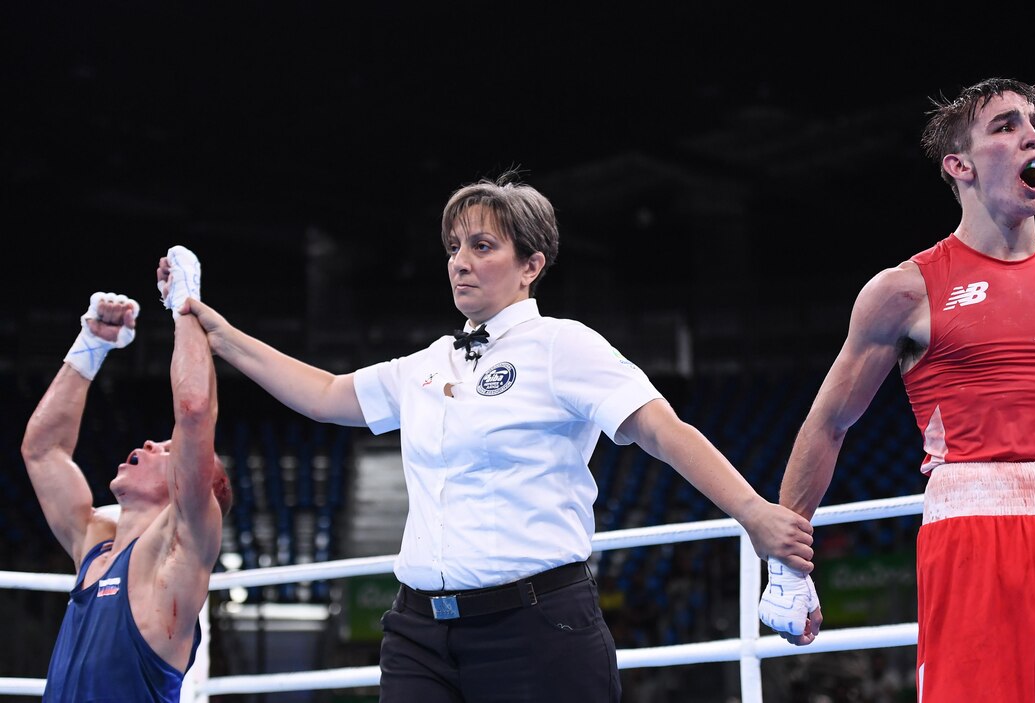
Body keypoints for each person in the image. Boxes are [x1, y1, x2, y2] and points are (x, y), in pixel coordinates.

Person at [181, 172, 815, 702]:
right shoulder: (429, 361)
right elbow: (323, 395)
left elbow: (661, 429)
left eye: (482, 245)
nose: (460, 261)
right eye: (454, 246)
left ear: (531, 265)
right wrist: (216, 330)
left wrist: (754, 513)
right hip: (419, 634)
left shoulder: (563, 345)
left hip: (535, 630)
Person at [757, 78, 1035, 702]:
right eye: (1006, 126)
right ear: (960, 166)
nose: (1032, 134)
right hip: (972, 537)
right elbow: (828, 423)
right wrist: (789, 564)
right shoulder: (905, 291)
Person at [21, 245, 232, 702]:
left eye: (170, 449)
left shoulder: (179, 552)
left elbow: (194, 410)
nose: (152, 444)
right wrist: (90, 347)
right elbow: (43, 451)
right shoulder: (93, 542)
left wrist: (185, 306)